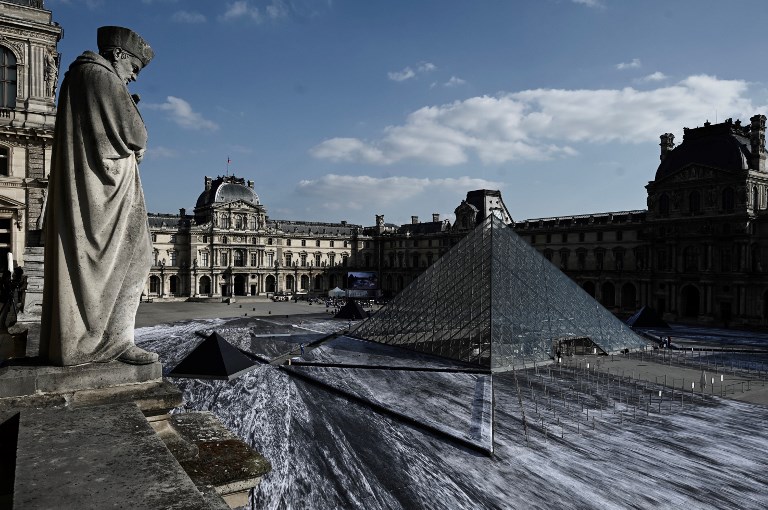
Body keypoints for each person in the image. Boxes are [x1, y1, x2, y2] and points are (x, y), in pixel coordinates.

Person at [40, 27, 158, 366]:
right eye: (134, 68)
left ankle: (98, 339)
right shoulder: (100, 76)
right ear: (118, 55)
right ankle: (114, 342)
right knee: (135, 261)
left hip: (98, 187)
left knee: (118, 264)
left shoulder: (80, 76)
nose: (133, 77)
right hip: (107, 192)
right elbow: (136, 133)